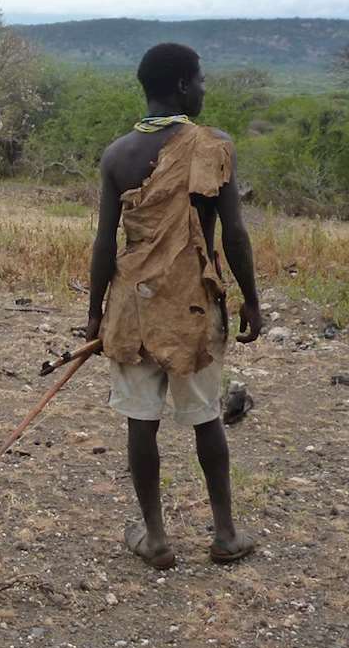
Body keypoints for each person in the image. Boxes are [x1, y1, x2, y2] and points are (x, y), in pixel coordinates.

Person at [84, 42, 262, 569]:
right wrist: (252, 299)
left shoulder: (118, 155)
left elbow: (103, 244)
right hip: (191, 307)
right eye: (201, 79)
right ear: (184, 86)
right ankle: (225, 535)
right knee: (207, 419)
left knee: (142, 422)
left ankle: (156, 539)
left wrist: (95, 314)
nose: (205, 87)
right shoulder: (215, 145)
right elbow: (234, 233)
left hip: (133, 306)